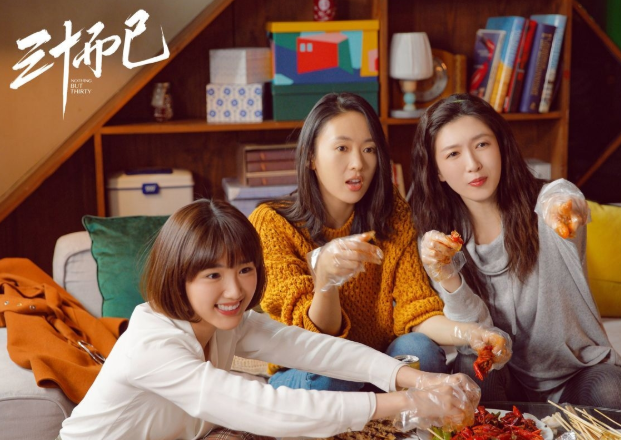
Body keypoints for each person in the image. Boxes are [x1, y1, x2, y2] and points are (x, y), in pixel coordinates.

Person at [58, 198, 482, 440]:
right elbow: (266, 408)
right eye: (213, 275)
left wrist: (419, 380)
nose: (235, 291)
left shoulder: (226, 321)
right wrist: (408, 402)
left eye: (244, 269)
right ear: (178, 275)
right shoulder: (152, 344)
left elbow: (314, 348)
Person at [249, 92, 511, 393]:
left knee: (421, 350)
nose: (358, 163)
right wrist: (325, 280)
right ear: (311, 156)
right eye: (342, 148)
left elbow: (416, 311)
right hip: (310, 369)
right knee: (335, 372)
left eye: (369, 149)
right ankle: (385, 408)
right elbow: (315, 340)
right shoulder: (272, 223)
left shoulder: (392, 214)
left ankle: (383, 409)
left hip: (378, 364)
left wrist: (471, 333)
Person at [409, 92, 621, 408]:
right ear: (437, 170)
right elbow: (477, 335)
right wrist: (447, 275)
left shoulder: (547, 204)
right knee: (473, 365)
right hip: (506, 380)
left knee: (613, 390)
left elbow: (563, 196)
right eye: (453, 154)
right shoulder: (440, 242)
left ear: (501, 146)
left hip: (576, 376)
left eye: (482, 144)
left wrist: (566, 207)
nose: (473, 164)